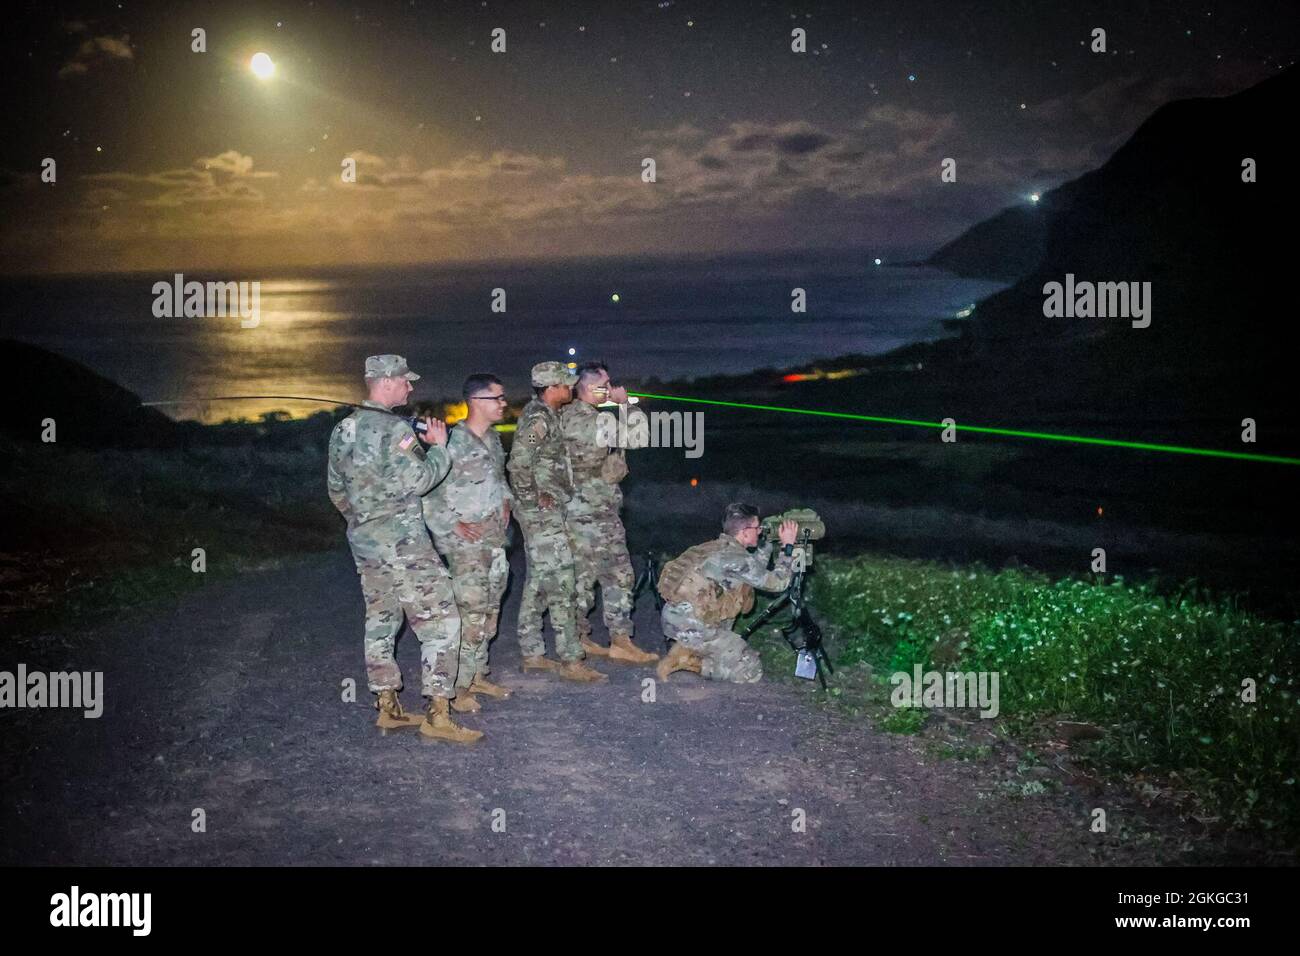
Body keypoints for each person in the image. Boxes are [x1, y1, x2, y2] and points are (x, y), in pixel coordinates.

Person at [326, 354, 481, 743]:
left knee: (381, 619)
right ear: (388, 381)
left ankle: (387, 706)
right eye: (406, 381)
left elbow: (336, 491)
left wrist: (362, 524)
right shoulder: (397, 431)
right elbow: (421, 480)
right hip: (404, 544)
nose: (411, 388)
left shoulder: (343, 430)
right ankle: (439, 714)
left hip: (366, 544)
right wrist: (440, 447)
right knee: (443, 622)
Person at [506, 361, 606, 683]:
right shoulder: (539, 418)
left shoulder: (548, 415)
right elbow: (518, 462)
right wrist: (533, 498)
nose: (571, 389)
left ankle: (533, 653)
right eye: (565, 384)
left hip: (546, 510)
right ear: (551, 388)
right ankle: (571, 660)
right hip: (542, 515)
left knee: (538, 582)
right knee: (563, 581)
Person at [423, 374, 514, 714]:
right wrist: (453, 525)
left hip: (494, 540)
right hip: (466, 549)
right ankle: (457, 689)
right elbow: (428, 495)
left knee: (490, 612)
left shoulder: (491, 439)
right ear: (477, 402)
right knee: (469, 615)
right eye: (498, 398)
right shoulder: (451, 443)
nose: (504, 403)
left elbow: (499, 477)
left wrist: (506, 501)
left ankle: (477, 675)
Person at [560, 362, 658, 665]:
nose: (611, 386)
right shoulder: (593, 421)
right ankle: (620, 640)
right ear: (591, 388)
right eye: (607, 383)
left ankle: (579, 636)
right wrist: (625, 404)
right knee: (618, 575)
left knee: (582, 580)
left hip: (575, 512)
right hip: (596, 513)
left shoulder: (564, 416)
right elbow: (639, 438)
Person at [656, 503, 799, 684]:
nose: (760, 531)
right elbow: (779, 583)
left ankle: (689, 647)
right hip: (694, 627)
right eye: (757, 528)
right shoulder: (737, 558)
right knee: (751, 671)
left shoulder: (717, 547)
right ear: (745, 532)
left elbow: (752, 574)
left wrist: (768, 545)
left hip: (676, 620)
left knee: (727, 612)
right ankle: (689, 662)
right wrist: (788, 547)